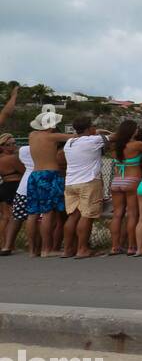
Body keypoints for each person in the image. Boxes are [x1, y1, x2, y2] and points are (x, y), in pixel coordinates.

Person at [25, 105, 72, 256]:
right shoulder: (52, 137)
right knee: (48, 212)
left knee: (32, 213)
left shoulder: (32, 135)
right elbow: (75, 137)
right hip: (49, 175)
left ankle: (33, 250)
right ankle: (47, 249)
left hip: (34, 174)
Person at [60, 117, 109, 259]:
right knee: (87, 216)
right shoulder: (94, 140)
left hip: (70, 182)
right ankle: (82, 249)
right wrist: (102, 132)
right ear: (89, 129)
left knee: (73, 216)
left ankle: (68, 249)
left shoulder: (69, 142)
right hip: (88, 181)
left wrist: (95, 131)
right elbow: (116, 136)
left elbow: (80, 137)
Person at [107, 120, 142, 255]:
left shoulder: (114, 146)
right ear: (133, 131)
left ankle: (114, 246)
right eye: (136, 128)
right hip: (132, 180)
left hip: (117, 181)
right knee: (132, 214)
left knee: (117, 215)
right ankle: (131, 246)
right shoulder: (138, 145)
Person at [0, 134, 22, 255]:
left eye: (14, 143)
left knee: (5, 217)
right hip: (13, 186)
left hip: (4, 186)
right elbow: (23, 170)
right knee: (13, 217)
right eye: (10, 144)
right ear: (3, 146)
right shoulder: (12, 159)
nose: (14, 146)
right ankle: (9, 245)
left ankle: (5, 244)